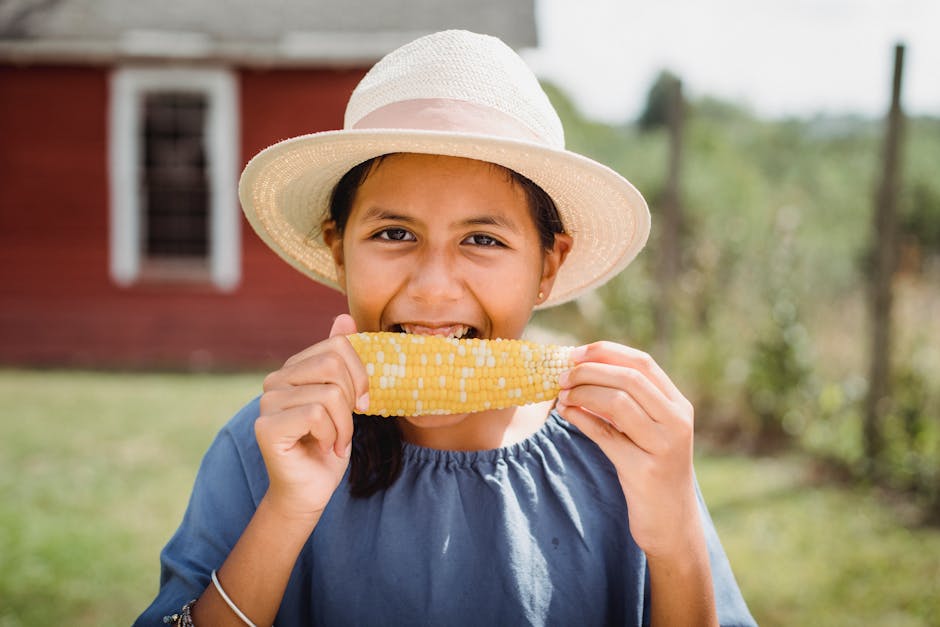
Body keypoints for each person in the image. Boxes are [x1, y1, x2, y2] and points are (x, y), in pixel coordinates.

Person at [136, 30, 755, 626]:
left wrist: (676, 540)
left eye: (482, 239)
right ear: (339, 250)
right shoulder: (268, 445)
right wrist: (287, 508)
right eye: (394, 234)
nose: (434, 285)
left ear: (549, 265)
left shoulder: (627, 454)